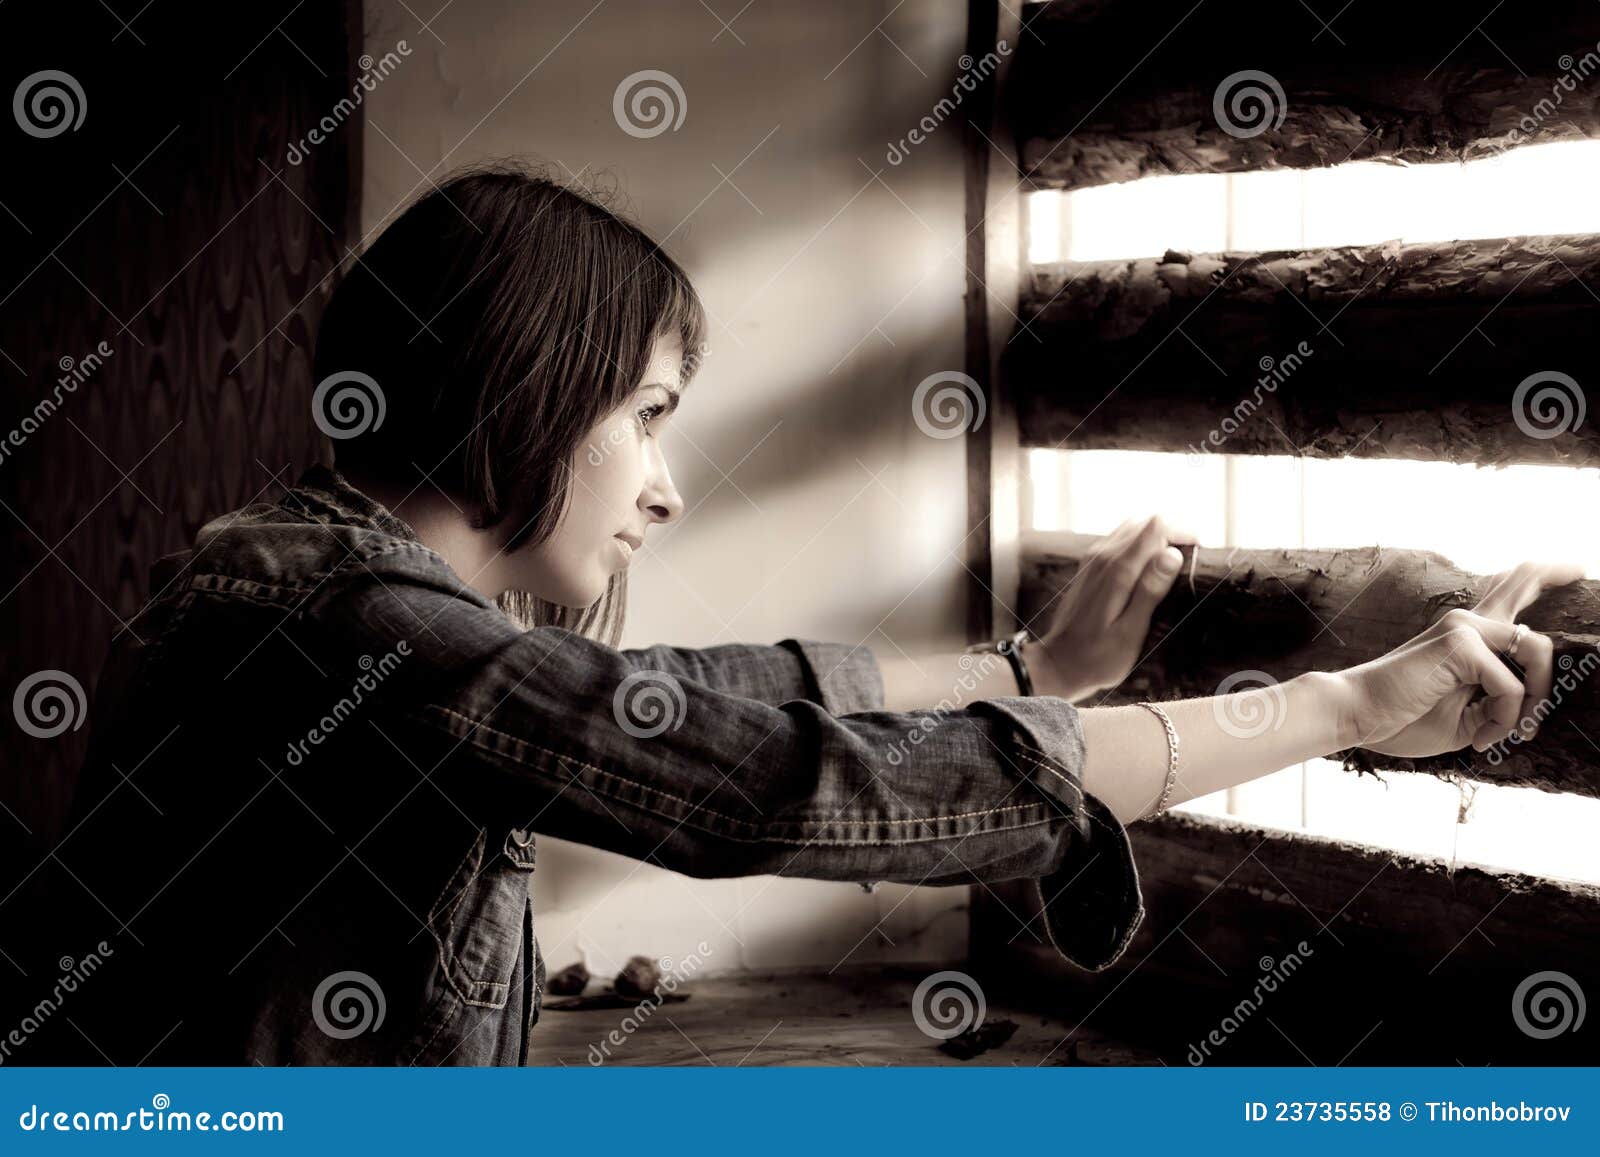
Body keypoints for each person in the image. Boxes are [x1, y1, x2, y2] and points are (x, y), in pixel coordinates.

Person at [13, 162, 1577, 1066]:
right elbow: (758, 777)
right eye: (649, 412)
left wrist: (1026, 669)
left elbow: (697, 695)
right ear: (526, 391)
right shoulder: (351, 631)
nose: (666, 485)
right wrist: (1350, 709)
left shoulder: (325, 591)